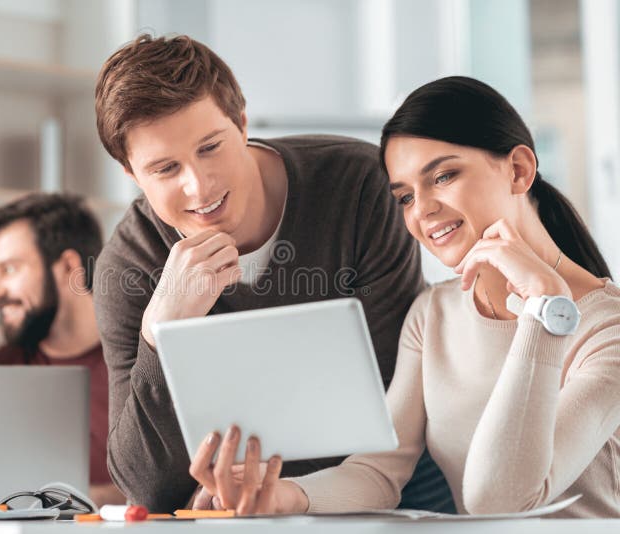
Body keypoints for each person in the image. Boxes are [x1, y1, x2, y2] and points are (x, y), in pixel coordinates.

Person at [190, 76, 620, 518]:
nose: (423, 210)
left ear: (518, 170)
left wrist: (546, 307)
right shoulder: (433, 314)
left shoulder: (608, 329)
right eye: (405, 197)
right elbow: (378, 472)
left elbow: (500, 500)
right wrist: (279, 494)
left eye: (444, 176)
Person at [92, 33, 453, 512]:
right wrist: (162, 332)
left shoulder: (359, 184)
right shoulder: (129, 264)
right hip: (249, 509)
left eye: (210, 147)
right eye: (164, 168)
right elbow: (143, 487)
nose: (198, 185)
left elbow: (389, 400)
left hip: (399, 481)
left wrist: (264, 488)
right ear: (131, 174)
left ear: (241, 123)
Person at [0, 192, 125, 506]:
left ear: (68, 266)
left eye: (10, 269)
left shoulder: (140, 359)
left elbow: (178, 480)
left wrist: (94, 499)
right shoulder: (5, 364)